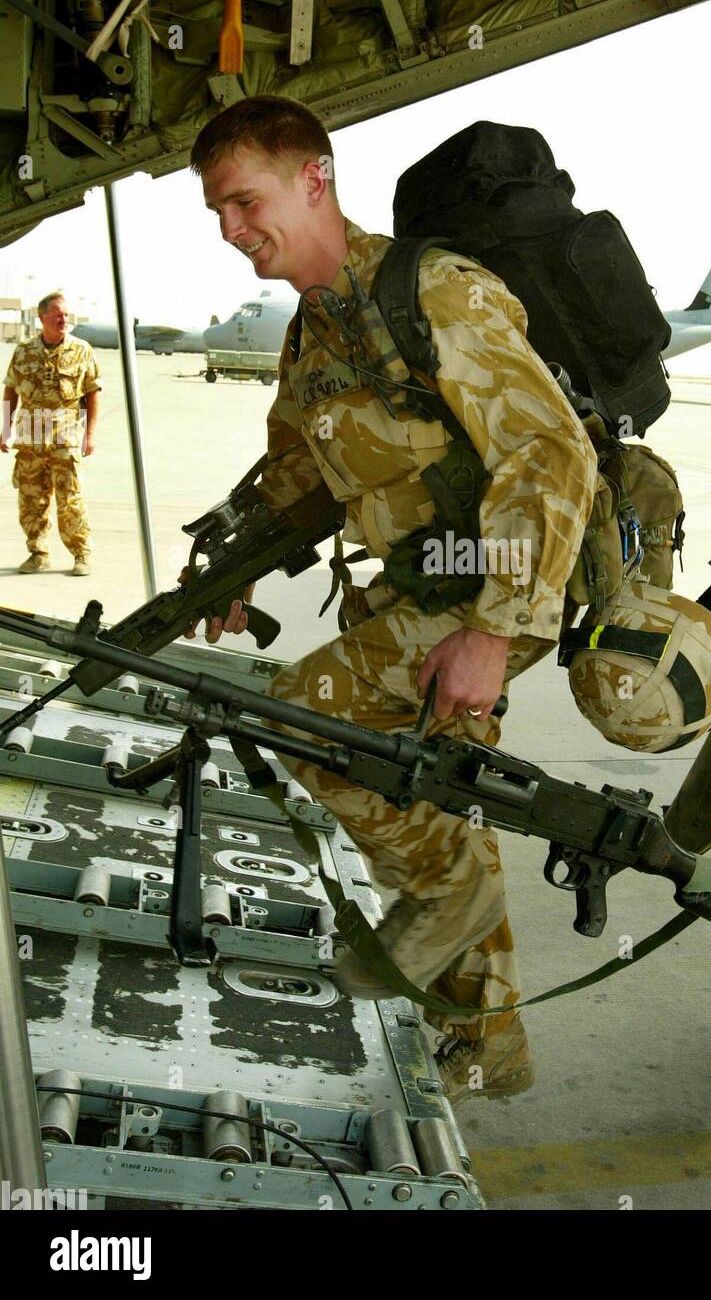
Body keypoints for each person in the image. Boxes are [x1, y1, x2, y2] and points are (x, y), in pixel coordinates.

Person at [187, 96, 598, 1102]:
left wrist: (494, 635)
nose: (233, 231)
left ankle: (448, 892)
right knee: (435, 791)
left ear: (313, 176)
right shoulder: (315, 335)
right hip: (417, 590)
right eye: (218, 215)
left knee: (309, 716)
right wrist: (231, 567)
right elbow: (299, 476)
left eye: (245, 202)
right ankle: (486, 1045)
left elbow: (549, 453)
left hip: (492, 588)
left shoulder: (433, 290)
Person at [1, 291, 99, 575]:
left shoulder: (82, 350)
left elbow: (92, 394)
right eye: (57, 314)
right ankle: (38, 553)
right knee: (31, 502)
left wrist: (89, 435)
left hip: (65, 440)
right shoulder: (23, 351)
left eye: (66, 314)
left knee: (71, 501)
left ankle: (81, 554)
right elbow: (10, 390)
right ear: (42, 316)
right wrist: (5, 430)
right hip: (30, 441)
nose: (63, 319)